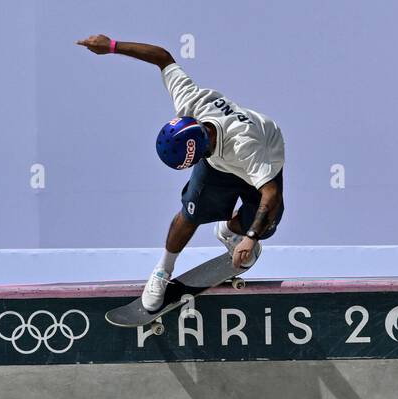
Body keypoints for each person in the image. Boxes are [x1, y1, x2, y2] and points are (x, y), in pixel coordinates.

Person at [77, 36, 285, 311]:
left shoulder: (245, 145)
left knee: (264, 224)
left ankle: (230, 230)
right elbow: (163, 57)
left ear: (201, 147)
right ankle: (162, 271)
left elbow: (270, 192)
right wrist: (112, 46)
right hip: (219, 164)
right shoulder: (191, 102)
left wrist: (250, 237)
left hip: (261, 159)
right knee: (190, 212)